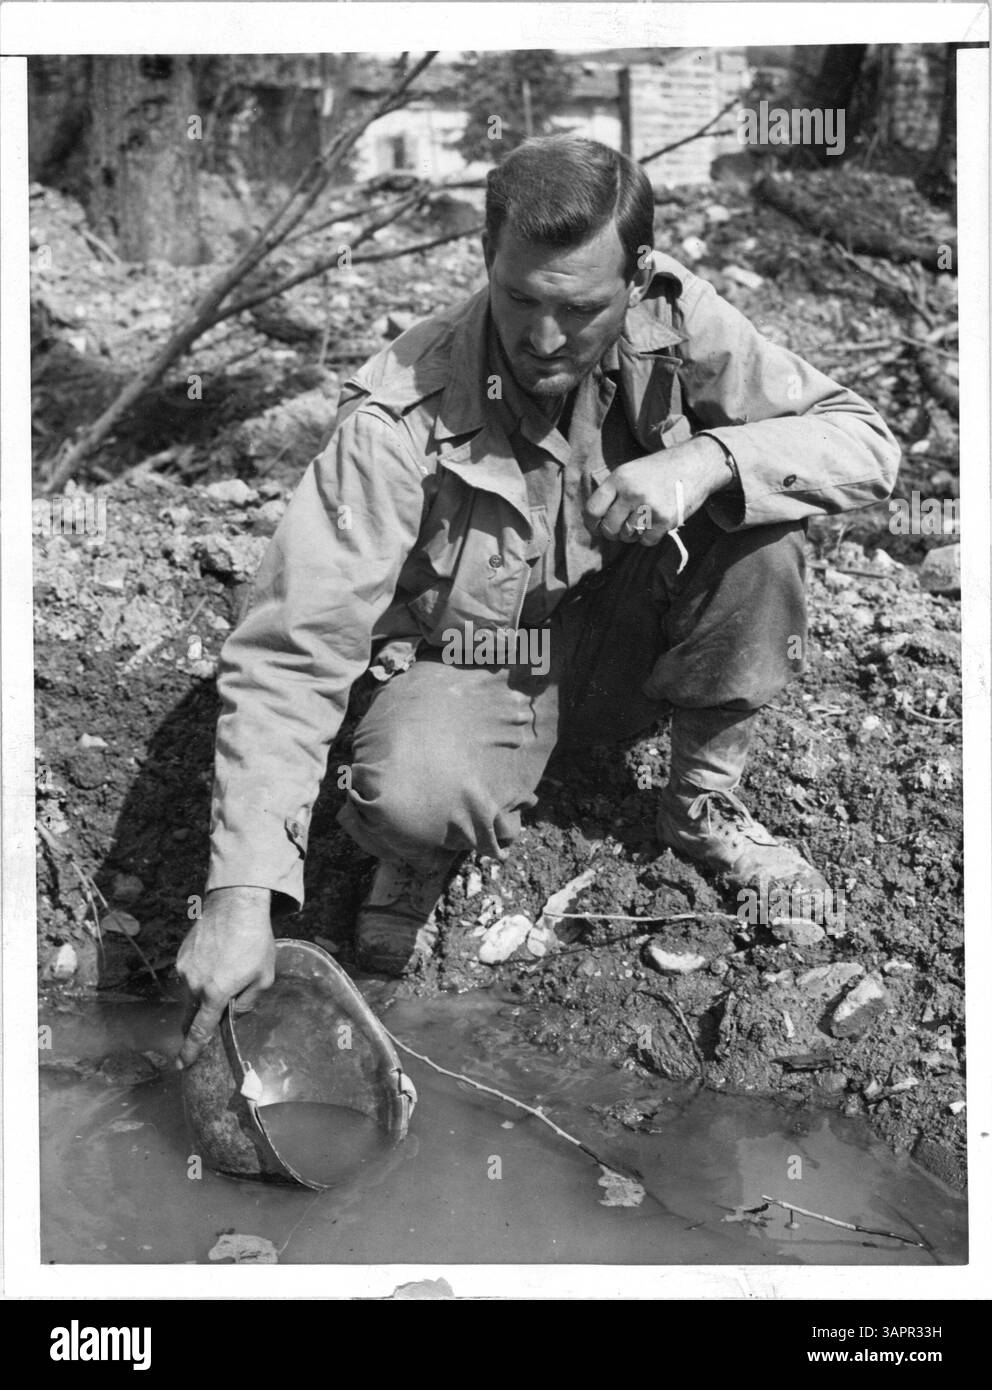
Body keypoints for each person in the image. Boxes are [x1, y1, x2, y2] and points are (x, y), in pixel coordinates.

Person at [176, 135, 900, 1067]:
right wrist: (241, 895)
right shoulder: (401, 410)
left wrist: (707, 461)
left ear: (637, 278)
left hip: (638, 659)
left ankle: (703, 810)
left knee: (763, 533)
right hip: (482, 667)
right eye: (520, 300)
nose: (546, 339)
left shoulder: (680, 324)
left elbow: (864, 442)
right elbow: (293, 646)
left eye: (580, 308)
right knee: (408, 797)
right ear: (487, 260)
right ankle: (418, 852)